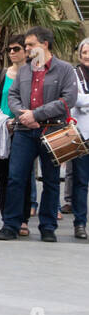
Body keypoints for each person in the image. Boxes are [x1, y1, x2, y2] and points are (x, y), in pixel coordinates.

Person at [0, 26, 80, 242]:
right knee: (16, 178)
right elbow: (13, 96)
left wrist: (36, 115)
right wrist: (23, 115)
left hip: (53, 131)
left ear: (45, 44)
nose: (27, 49)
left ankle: (48, 227)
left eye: (30, 45)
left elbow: (67, 100)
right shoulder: (25, 70)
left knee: (52, 181)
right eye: (26, 46)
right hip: (24, 131)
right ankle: (11, 225)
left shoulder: (64, 69)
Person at [0, 36, 34, 236]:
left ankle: (23, 219)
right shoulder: (2, 74)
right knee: (4, 176)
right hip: (3, 130)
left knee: (23, 176)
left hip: (25, 129)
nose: (12, 52)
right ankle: (8, 219)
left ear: (26, 51)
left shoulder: (33, 74)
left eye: (16, 48)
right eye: (9, 49)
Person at [70, 37, 89, 240]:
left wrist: (85, 103)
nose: (88, 56)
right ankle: (80, 223)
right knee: (81, 182)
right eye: (85, 52)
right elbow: (75, 99)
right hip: (81, 135)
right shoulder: (74, 74)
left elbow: (84, 102)